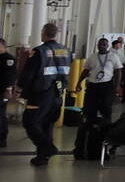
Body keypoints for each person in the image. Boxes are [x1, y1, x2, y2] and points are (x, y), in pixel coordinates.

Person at [18, 23, 71, 166]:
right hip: (58, 92)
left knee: (29, 122)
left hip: (41, 93)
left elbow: (28, 74)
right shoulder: (65, 50)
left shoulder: (39, 51)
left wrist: (20, 87)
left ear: (44, 33)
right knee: (47, 123)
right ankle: (42, 158)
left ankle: (48, 147)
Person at [80, 38, 118, 126]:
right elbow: (86, 70)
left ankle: (107, 125)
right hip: (93, 85)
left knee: (105, 107)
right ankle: (90, 125)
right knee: (89, 107)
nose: (101, 46)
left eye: (104, 45)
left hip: (106, 85)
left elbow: (118, 71)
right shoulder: (92, 57)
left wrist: (117, 86)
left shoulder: (113, 56)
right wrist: (79, 82)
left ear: (107, 46)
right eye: (100, 44)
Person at [0, 38, 17, 148]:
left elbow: (11, 76)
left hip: (2, 91)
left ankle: (2, 138)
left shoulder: (9, 59)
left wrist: (8, 89)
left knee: (1, 115)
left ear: (3, 46)